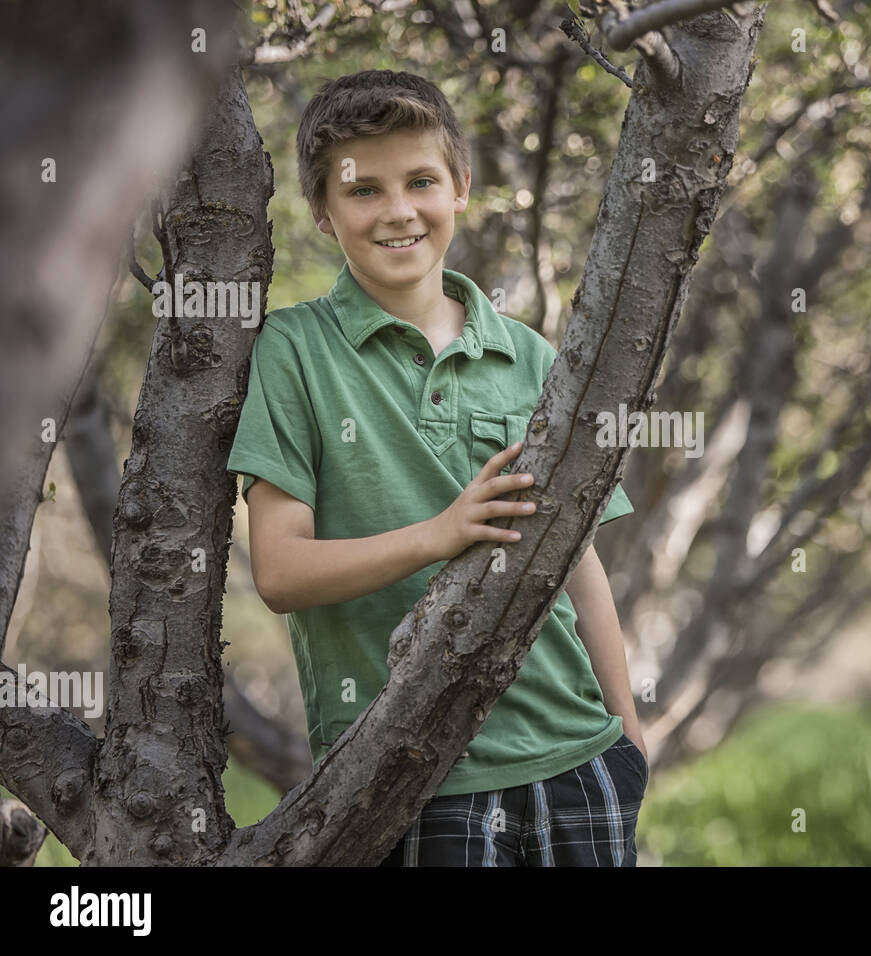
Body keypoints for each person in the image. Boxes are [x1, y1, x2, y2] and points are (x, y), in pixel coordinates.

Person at [226, 69, 648, 866]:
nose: (397, 211)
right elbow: (279, 571)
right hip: (408, 773)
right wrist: (440, 533)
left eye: (421, 181)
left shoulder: (532, 356)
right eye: (363, 190)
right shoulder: (294, 352)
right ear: (322, 212)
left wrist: (626, 734)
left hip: (578, 757)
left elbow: (578, 561)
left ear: (459, 188)